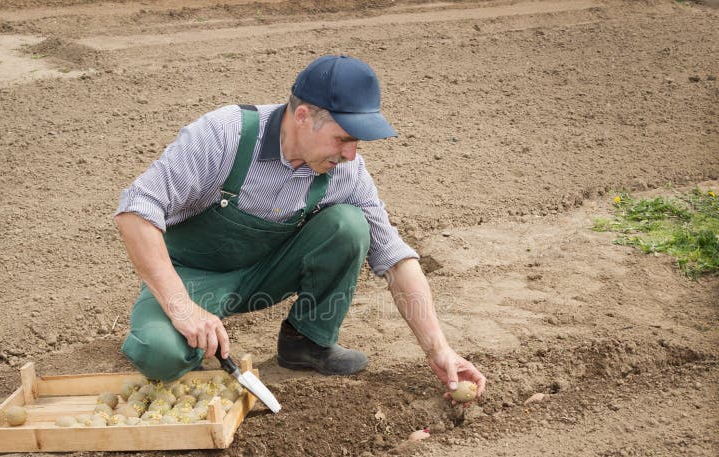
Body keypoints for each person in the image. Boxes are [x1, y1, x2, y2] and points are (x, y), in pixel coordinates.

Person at [114, 55, 486, 403]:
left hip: (266, 271)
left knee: (349, 225)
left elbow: (395, 259)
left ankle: (307, 341)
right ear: (304, 116)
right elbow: (135, 211)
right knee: (161, 355)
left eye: (357, 141)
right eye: (344, 138)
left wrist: (439, 349)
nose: (351, 154)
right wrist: (182, 308)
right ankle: (184, 338)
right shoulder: (223, 135)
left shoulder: (347, 173)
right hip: (195, 277)